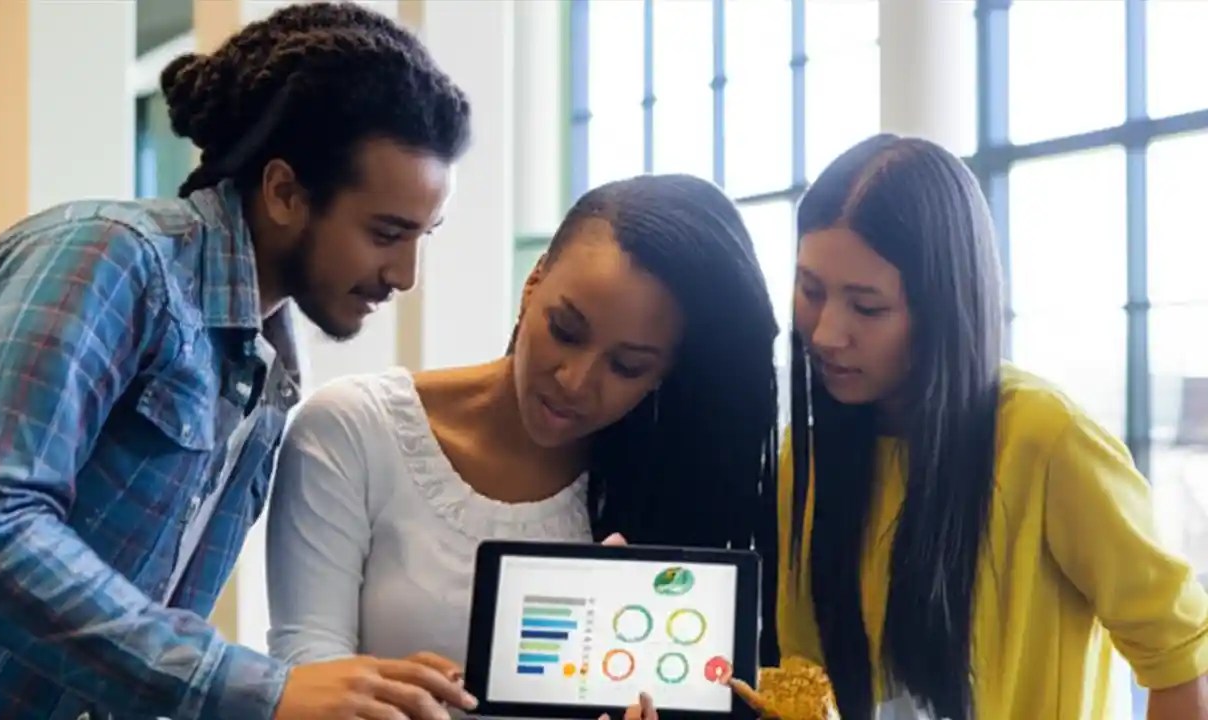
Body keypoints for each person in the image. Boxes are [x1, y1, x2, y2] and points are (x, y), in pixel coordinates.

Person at [0, 3, 476, 719]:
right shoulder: (108, 258)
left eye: (424, 236)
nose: (405, 275)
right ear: (283, 191)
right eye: (386, 232)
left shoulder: (270, 368)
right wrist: (256, 687)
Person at [264, 174, 783, 693]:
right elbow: (306, 676)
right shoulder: (351, 431)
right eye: (565, 331)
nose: (575, 381)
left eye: (627, 366)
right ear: (533, 282)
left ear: (665, 374)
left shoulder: (671, 492)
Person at [774, 134, 1208, 719]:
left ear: (943, 306)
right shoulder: (806, 455)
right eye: (810, 290)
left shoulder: (1045, 439)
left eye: (867, 306)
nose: (826, 333)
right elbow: (806, 675)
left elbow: (1183, 662)